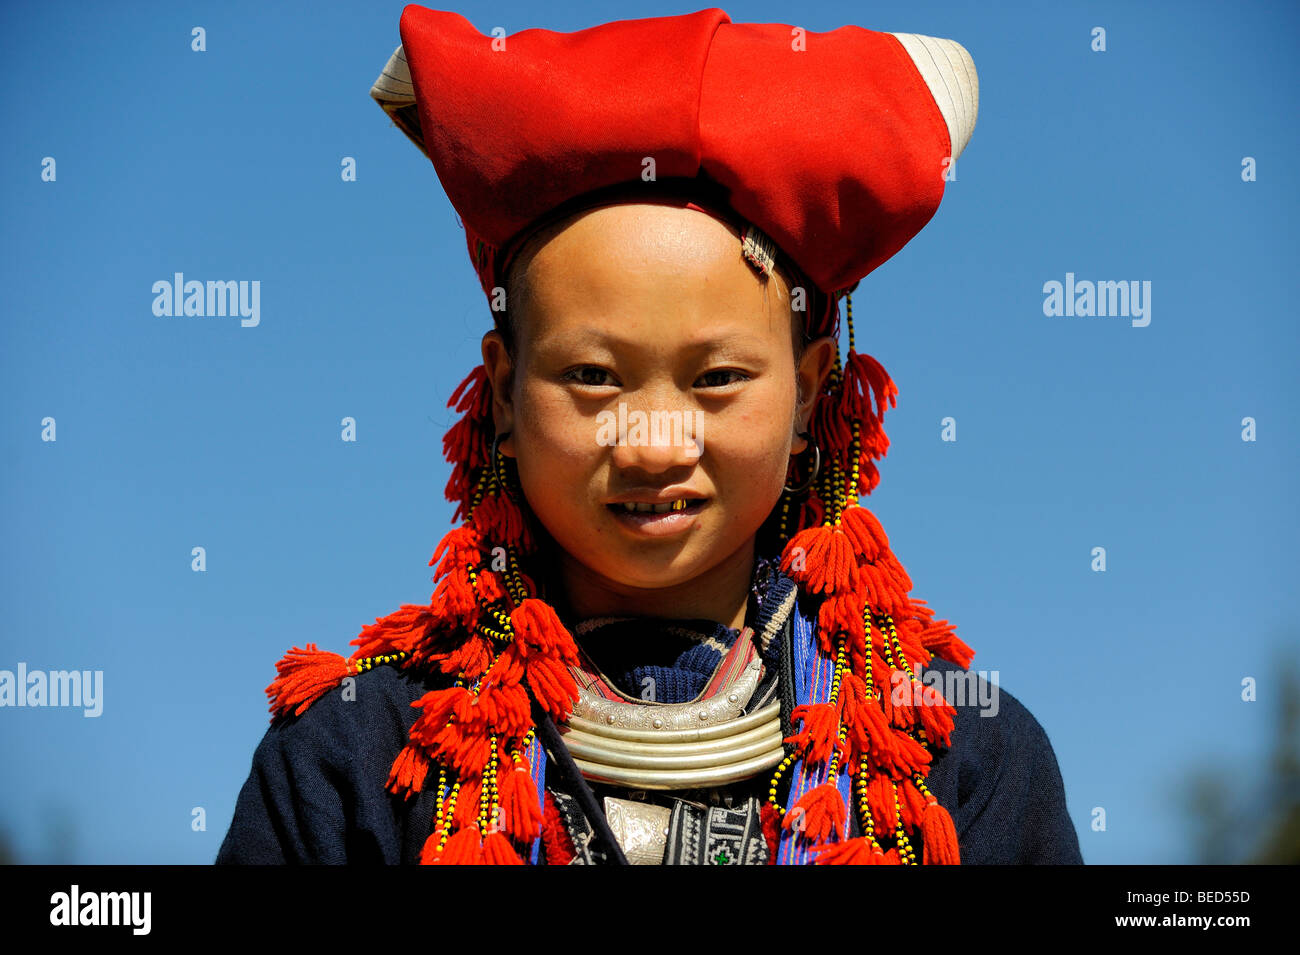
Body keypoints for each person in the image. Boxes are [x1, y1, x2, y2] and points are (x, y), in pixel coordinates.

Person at [215, 5, 1083, 865]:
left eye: (717, 380)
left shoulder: (959, 759)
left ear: (813, 393)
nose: (654, 443)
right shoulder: (361, 755)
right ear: (506, 393)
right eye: (592, 377)